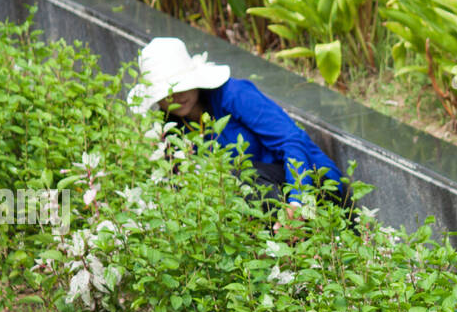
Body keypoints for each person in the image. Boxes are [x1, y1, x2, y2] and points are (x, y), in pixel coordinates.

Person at [127, 37, 354, 218]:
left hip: (310, 188)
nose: (177, 95)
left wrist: (297, 202)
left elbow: (291, 141)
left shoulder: (233, 94)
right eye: (167, 92)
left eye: (182, 85)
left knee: (233, 178)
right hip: (258, 203)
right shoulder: (172, 131)